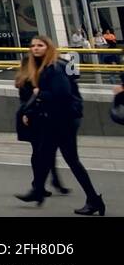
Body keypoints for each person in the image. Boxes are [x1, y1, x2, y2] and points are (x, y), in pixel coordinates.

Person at [15, 36, 105, 215]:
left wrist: (39, 93)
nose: (35, 49)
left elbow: (62, 95)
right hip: (56, 118)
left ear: (48, 47)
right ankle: (38, 190)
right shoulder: (46, 67)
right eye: (32, 46)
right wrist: (30, 109)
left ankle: (94, 199)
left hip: (63, 120)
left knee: (70, 159)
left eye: (40, 45)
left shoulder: (54, 67)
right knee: (44, 154)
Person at [15, 57, 68, 196]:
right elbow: (35, 98)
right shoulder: (33, 79)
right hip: (34, 115)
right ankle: (41, 184)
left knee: (40, 150)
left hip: (26, 115)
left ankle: (42, 183)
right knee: (44, 150)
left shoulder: (21, 78)